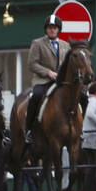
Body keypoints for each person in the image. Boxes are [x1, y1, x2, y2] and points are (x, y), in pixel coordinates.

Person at [23, 15, 66, 148]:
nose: (52, 30)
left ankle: (79, 128)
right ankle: (29, 129)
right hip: (43, 80)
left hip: (61, 81)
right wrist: (48, 72)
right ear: (46, 30)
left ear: (58, 29)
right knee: (35, 95)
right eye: (49, 28)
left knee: (81, 96)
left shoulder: (66, 45)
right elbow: (32, 64)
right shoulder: (37, 43)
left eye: (54, 28)